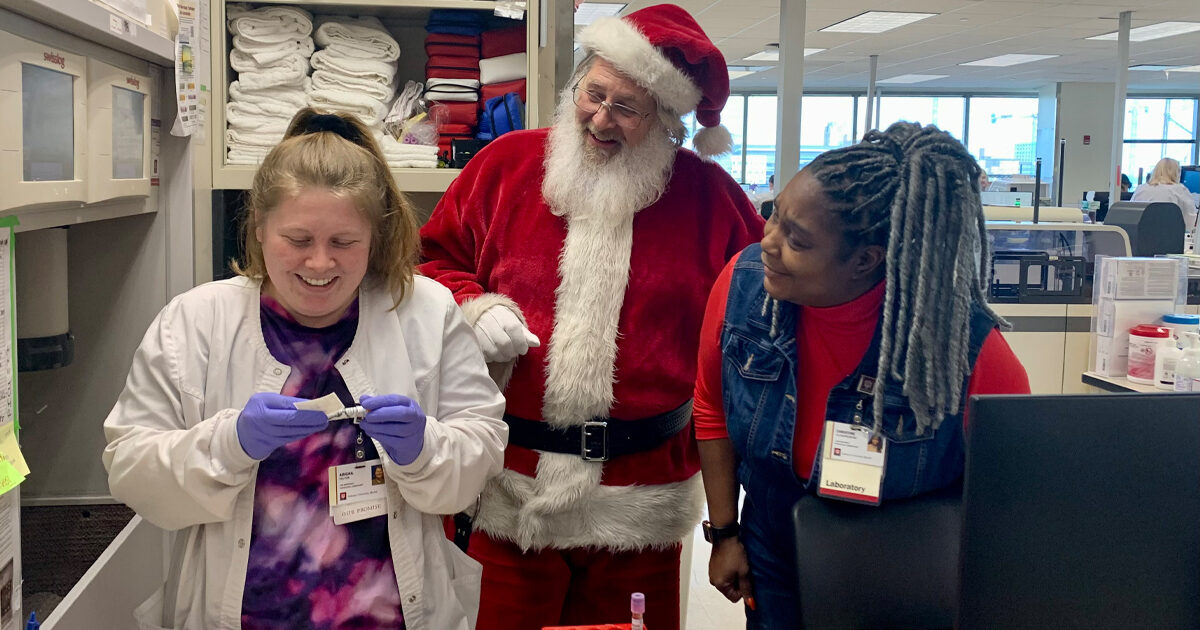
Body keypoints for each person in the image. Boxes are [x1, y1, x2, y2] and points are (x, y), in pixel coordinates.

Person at [418, 5, 764, 629]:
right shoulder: (504, 165)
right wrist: (473, 305)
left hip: (640, 505)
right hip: (506, 490)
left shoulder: (711, 200)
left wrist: (731, 518)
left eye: (627, 108)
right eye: (593, 94)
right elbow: (429, 259)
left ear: (667, 122)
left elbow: (758, 314)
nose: (601, 119)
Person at [103, 108, 507, 630]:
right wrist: (229, 444)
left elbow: (481, 454)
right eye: (297, 240)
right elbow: (132, 472)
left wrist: (424, 447)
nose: (320, 263)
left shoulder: (426, 313)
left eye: (344, 242)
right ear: (259, 227)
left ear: (375, 237)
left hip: (391, 616)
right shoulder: (196, 321)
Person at [694, 122, 1031, 628]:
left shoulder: (961, 351)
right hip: (772, 543)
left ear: (866, 260)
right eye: (774, 215)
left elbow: (1007, 502)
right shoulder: (744, 288)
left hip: (902, 567)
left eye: (796, 240)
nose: (767, 242)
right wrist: (725, 534)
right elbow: (710, 407)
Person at [1131, 157, 1198, 230]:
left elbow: (1130, 215)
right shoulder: (1180, 189)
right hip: (1171, 234)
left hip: (1141, 234)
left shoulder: (1141, 189)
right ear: (1176, 173)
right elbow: (1191, 219)